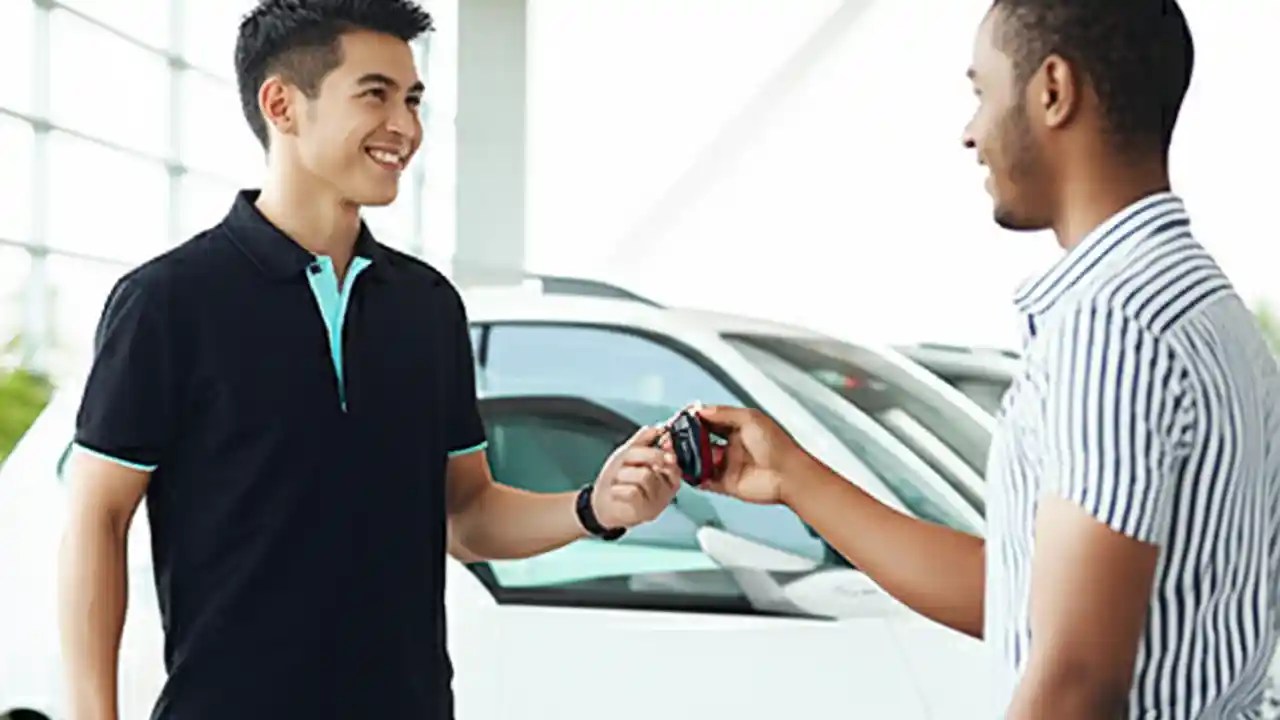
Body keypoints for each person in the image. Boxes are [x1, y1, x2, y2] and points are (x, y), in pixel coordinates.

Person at [56, 2, 681, 719]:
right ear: (282, 103)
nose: (407, 128)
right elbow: (98, 521)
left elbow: (466, 515)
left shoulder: (427, 307)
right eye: (376, 94)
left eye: (413, 99)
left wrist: (593, 508)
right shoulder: (167, 303)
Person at [692, 0, 1280, 718]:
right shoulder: (1208, 311)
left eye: (982, 91)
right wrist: (792, 476)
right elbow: (1026, 601)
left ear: (1052, 90)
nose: (970, 133)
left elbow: (1075, 679)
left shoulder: (1112, 325)